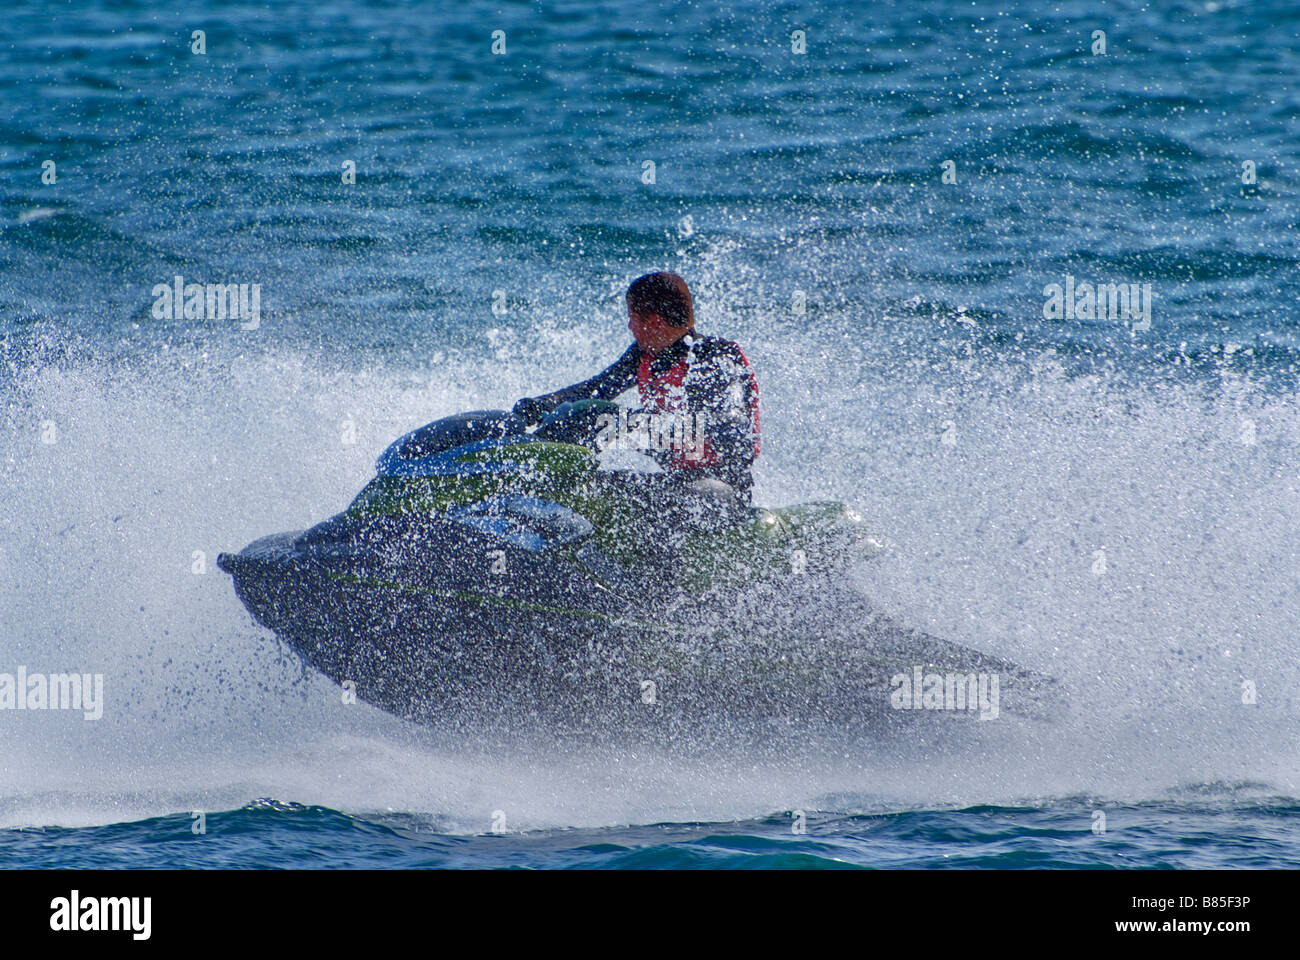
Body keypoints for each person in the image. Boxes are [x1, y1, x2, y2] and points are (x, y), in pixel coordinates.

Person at [513, 272, 761, 510]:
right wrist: (542, 405)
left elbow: (735, 439)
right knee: (585, 432)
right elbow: (596, 390)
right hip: (675, 482)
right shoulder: (645, 354)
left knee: (605, 421)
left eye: (632, 316)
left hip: (719, 492)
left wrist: (640, 425)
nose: (630, 325)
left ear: (654, 322)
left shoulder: (715, 359)